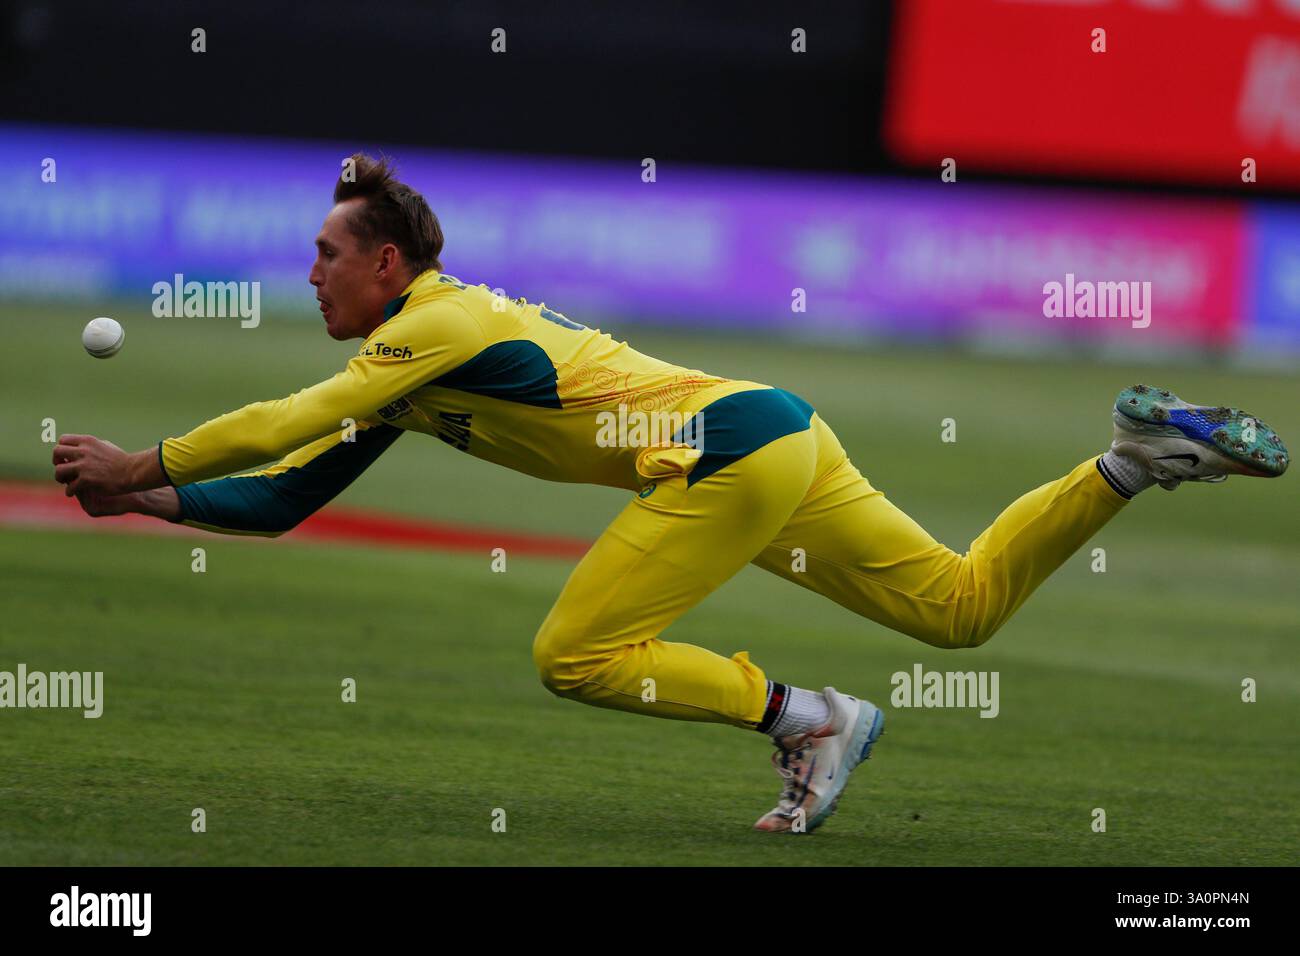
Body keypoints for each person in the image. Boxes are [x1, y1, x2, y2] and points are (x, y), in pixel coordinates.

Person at [52, 154, 1290, 834]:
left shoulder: (439, 319)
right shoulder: (405, 368)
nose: (307, 272)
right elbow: (281, 495)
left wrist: (143, 457)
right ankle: (1130, 458)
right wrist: (140, 502)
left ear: (387, 263)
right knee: (958, 612)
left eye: (325, 254)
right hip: (776, 434)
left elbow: (284, 420)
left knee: (574, 652)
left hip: (728, 454)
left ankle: (806, 716)